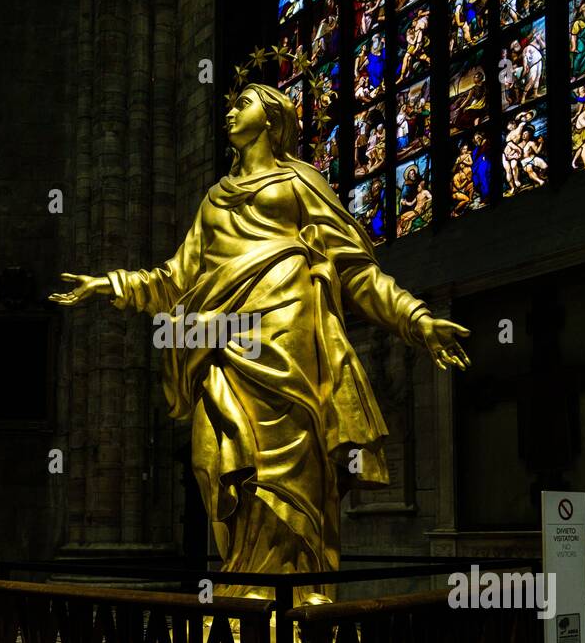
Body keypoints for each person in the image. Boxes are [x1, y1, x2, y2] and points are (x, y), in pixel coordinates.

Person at [51, 83, 470, 606]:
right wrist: (110, 284)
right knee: (214, 459)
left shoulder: (301, 182)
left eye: (242, 103)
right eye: (230, 104)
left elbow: (356, 272)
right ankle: (243, 590)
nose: (230, 111)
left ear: (273, 120)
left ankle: (296, 602)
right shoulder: (213, 200)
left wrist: (416, 318)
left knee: (291, 472)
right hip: (222, 347)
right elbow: (174, 279)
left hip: (289, 341)